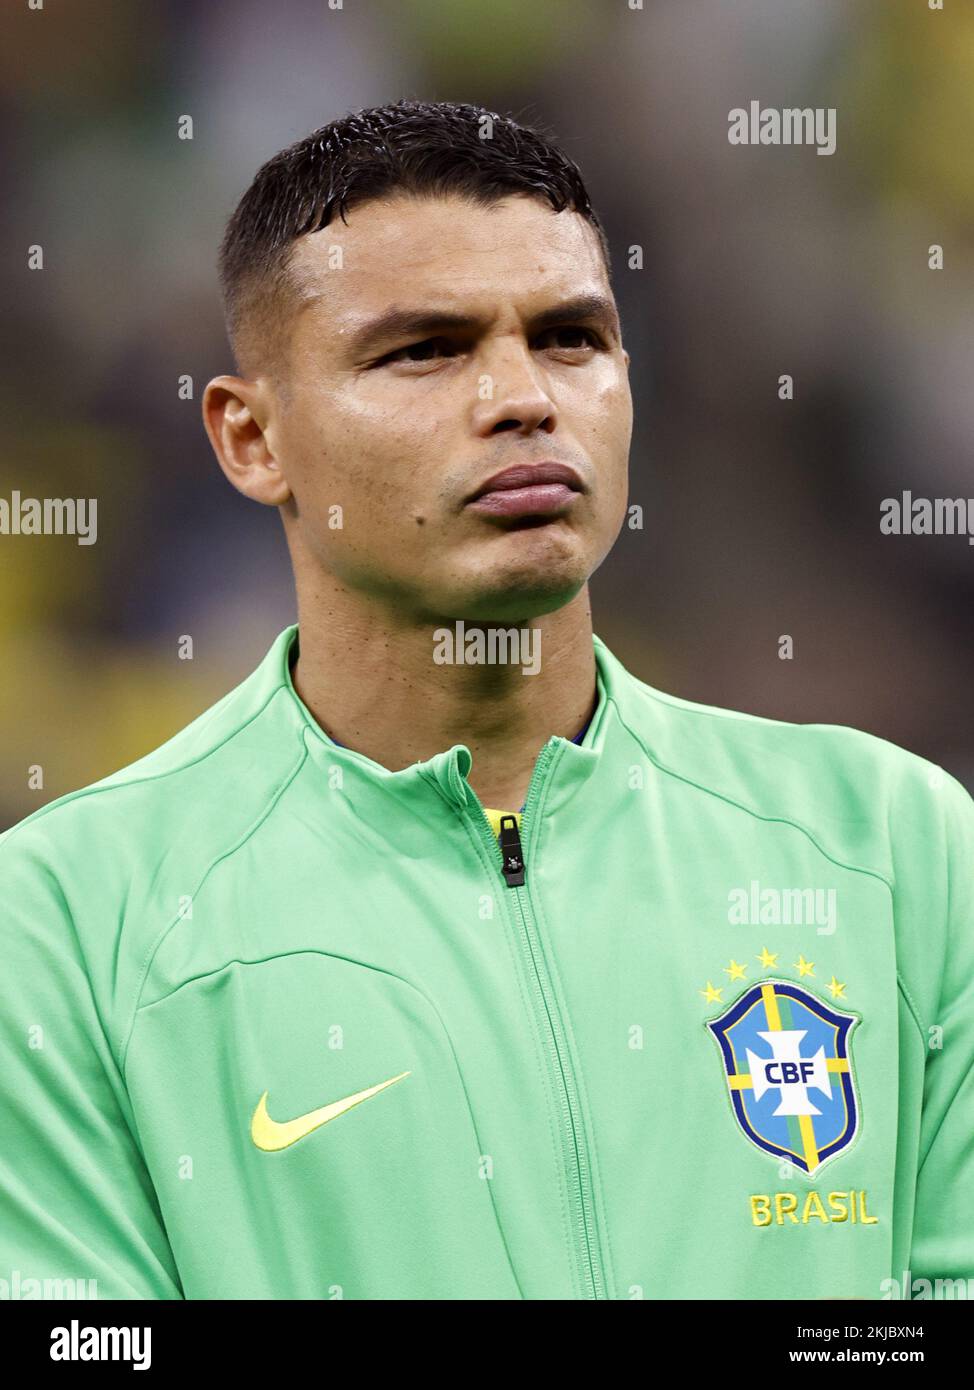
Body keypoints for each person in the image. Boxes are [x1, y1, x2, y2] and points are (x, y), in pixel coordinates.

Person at [1, 100, 970, 1302]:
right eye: (423, 349)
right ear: (251, 439)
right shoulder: (64, 926)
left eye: (570, 338)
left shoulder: (893, 846)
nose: (523, 398)